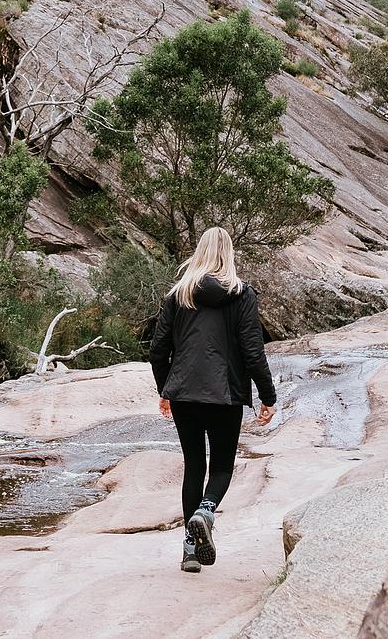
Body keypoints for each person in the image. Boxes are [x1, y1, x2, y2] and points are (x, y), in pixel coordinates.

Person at [149, 227, 277, 574]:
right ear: (229, 254)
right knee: (221, 467)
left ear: (200, 252)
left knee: (194, 466)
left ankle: (190, 550)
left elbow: (158, 350)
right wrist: (268, 396)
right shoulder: (242, 295)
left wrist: (166, 390)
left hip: (185, 394)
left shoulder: (179, 296)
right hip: (226, 395)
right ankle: (206, 511)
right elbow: (253, 352)